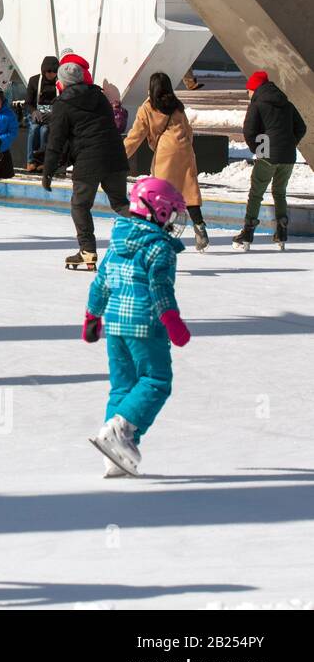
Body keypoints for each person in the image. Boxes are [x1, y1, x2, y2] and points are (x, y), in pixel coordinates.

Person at [82, 176, 190, 477]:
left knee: (122, 386)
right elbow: (160, 288)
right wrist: (172, 320)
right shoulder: (160, 247)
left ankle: (113, 454)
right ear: (160, 211)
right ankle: (122, 432)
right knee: (156, 380)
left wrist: (92, 316)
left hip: (115, 324)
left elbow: (101, 281)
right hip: (145, 322)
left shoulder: (118, 241)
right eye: (172, 212)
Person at [43, 61, 131, 271]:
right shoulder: (99, 96)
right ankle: (153, 226)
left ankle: (87, 251)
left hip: (88, 160)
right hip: (114, 156)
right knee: (120, 203)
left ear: (62, 83)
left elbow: (55, 141)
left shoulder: (62, 103)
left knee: (80, 206)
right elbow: (110, 123)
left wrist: (47, 172)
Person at [123, 72, 208, 252]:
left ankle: (161, 234)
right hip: (184, 149)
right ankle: (199, 226)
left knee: (161, 194)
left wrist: (120, 155)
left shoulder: (148, 107)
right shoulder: (177, 105)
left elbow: (135, 136)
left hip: (165, 153)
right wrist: (186, 146)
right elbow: (188, 129)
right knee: (189, 190)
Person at [235, 70, 307, 250]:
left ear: (254, 89)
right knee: (280, 192)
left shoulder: (257, 104)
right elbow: (301, 127)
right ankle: (281, 231)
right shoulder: (287, 104)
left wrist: (259, 150)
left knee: (256, 193)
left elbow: (249, 131)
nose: (249, 94)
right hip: (288, 157)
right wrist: (290, 144)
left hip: (268, 155)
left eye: (249, 90)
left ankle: (248, 231)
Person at [24, 56, 59, 172]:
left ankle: (43, 161)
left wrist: (53, 114)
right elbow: (28, 103)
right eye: (48, 71)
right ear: (43, 70)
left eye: (54, 71)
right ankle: (30, 161)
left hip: (51, 115)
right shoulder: (34, 81)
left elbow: (63, 102)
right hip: (36, 113)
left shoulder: (60, 83)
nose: (51, 74)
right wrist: (34, 112)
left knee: (44, 131)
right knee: (34, 129)